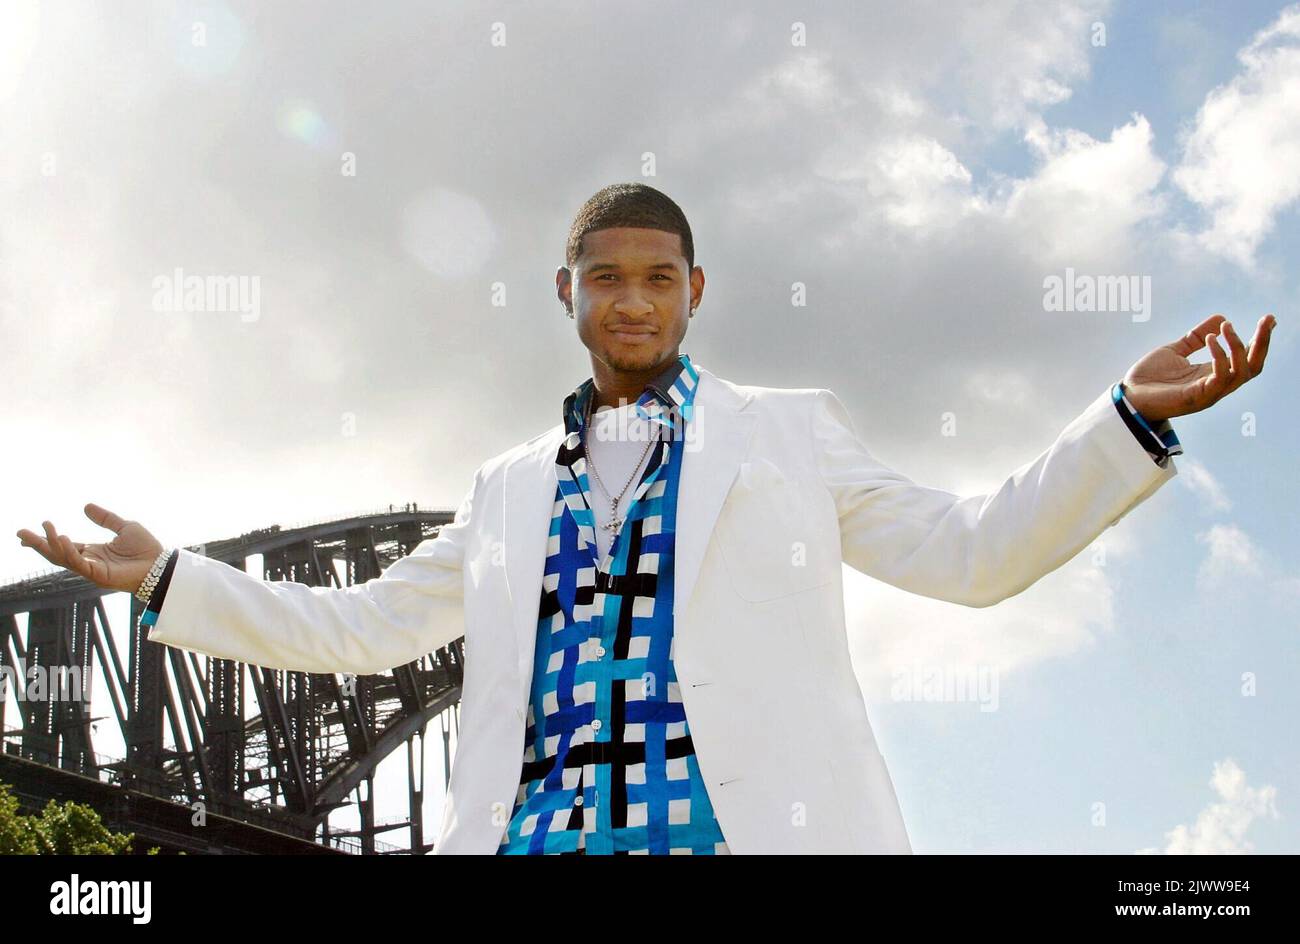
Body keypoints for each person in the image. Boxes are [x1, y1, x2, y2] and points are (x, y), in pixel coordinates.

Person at [17, 182, 1276, 855]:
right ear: (567, 291)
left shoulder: (789, 433)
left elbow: (972, 550)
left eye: (658, 280)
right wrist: (168, 577)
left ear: (696, 291)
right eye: (608, 279)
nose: (633, 303)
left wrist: (1122, 416)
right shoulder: (507, 489)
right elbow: (362, 625)